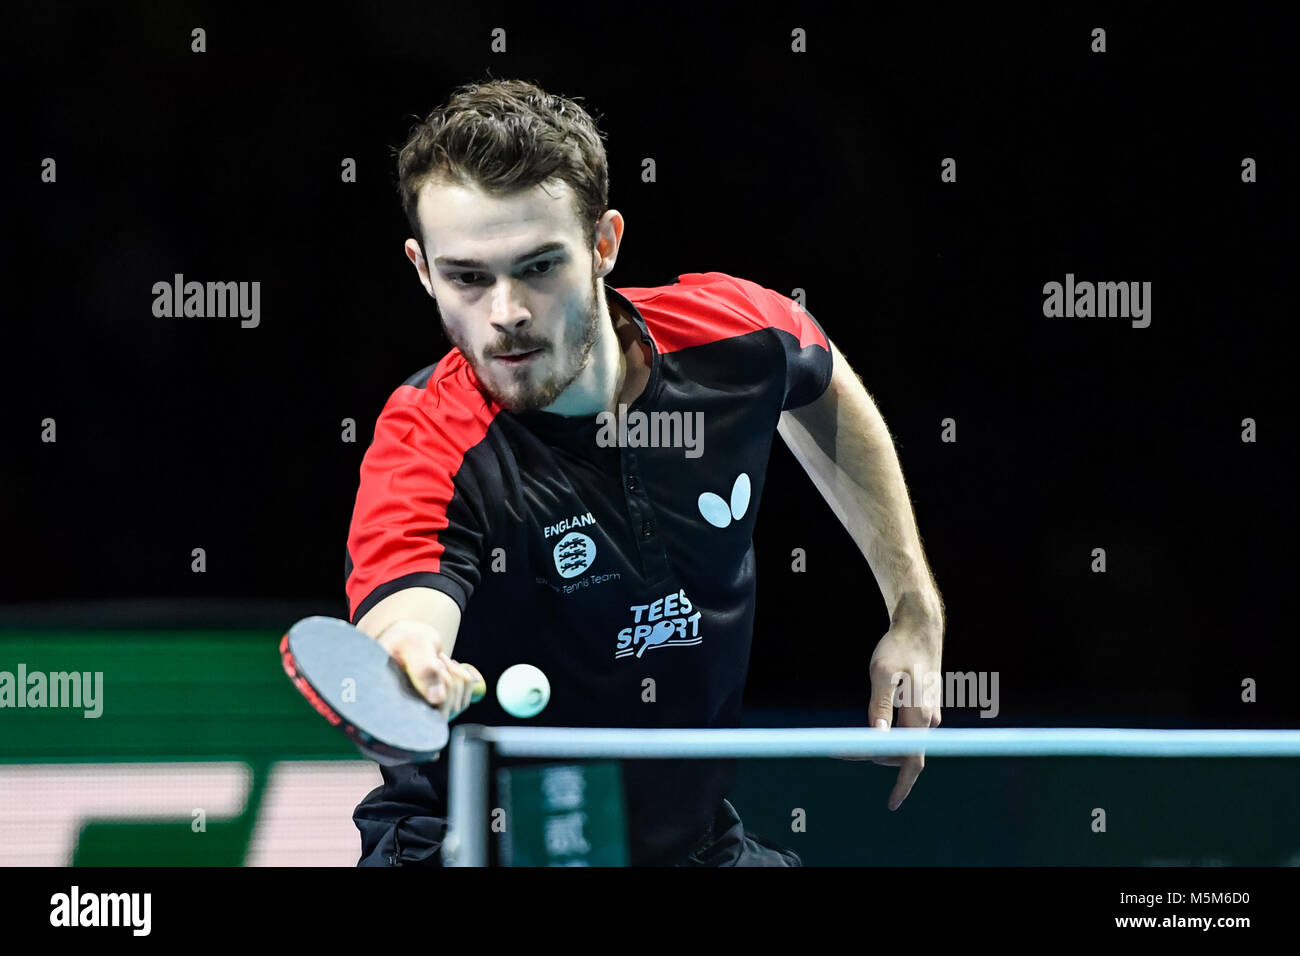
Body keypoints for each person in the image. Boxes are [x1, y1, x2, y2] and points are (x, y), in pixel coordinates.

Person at [345, 77, 945, 866]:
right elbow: (406, 608)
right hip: (476, 843)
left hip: (686, 842)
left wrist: (912, 607)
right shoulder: (426, 440)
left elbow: (822, 382)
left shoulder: (730, 337)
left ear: (603, 244)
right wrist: (409, 661)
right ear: (423, 270)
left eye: (538, 266)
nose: (507, 312)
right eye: (469, 277)